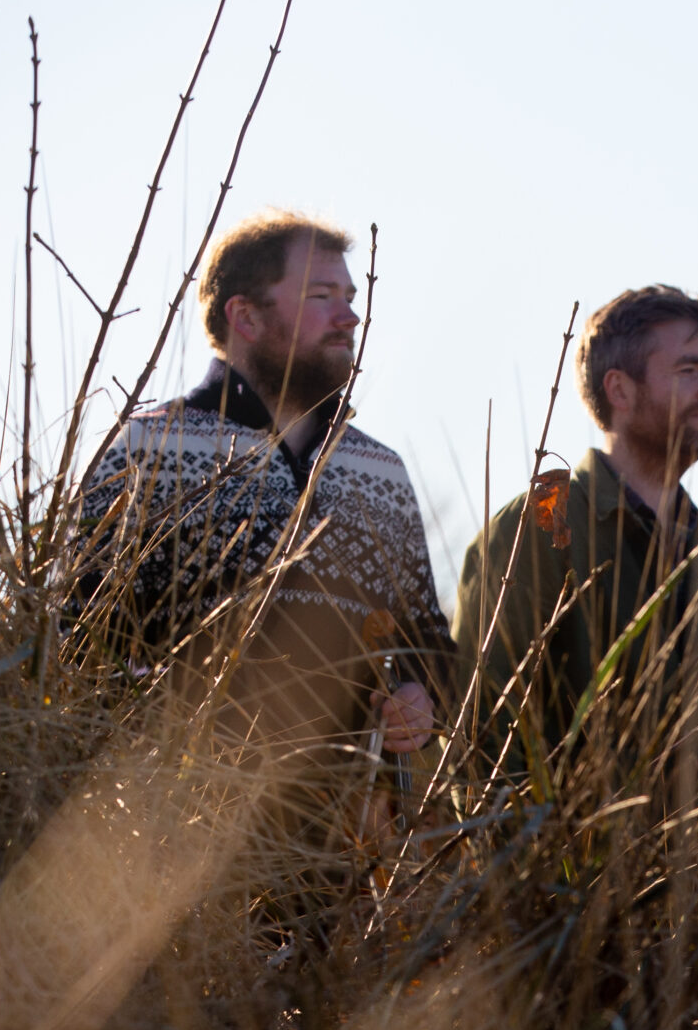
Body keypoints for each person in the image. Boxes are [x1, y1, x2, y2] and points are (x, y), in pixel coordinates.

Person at [72, 209, 446, 758]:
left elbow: (427, 642)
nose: (349, 317)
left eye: (350, 297)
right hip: (177, 816)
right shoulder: (146, 451)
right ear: (244, 316)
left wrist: (422, 695)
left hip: (351, 832)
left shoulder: (380, 470)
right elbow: (76, 638)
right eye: (322, 297)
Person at [453, 287, 698, 803]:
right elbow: (482, 737)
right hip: (561, 877)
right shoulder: (535, 527)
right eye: (689, 371)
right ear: (619, 390)